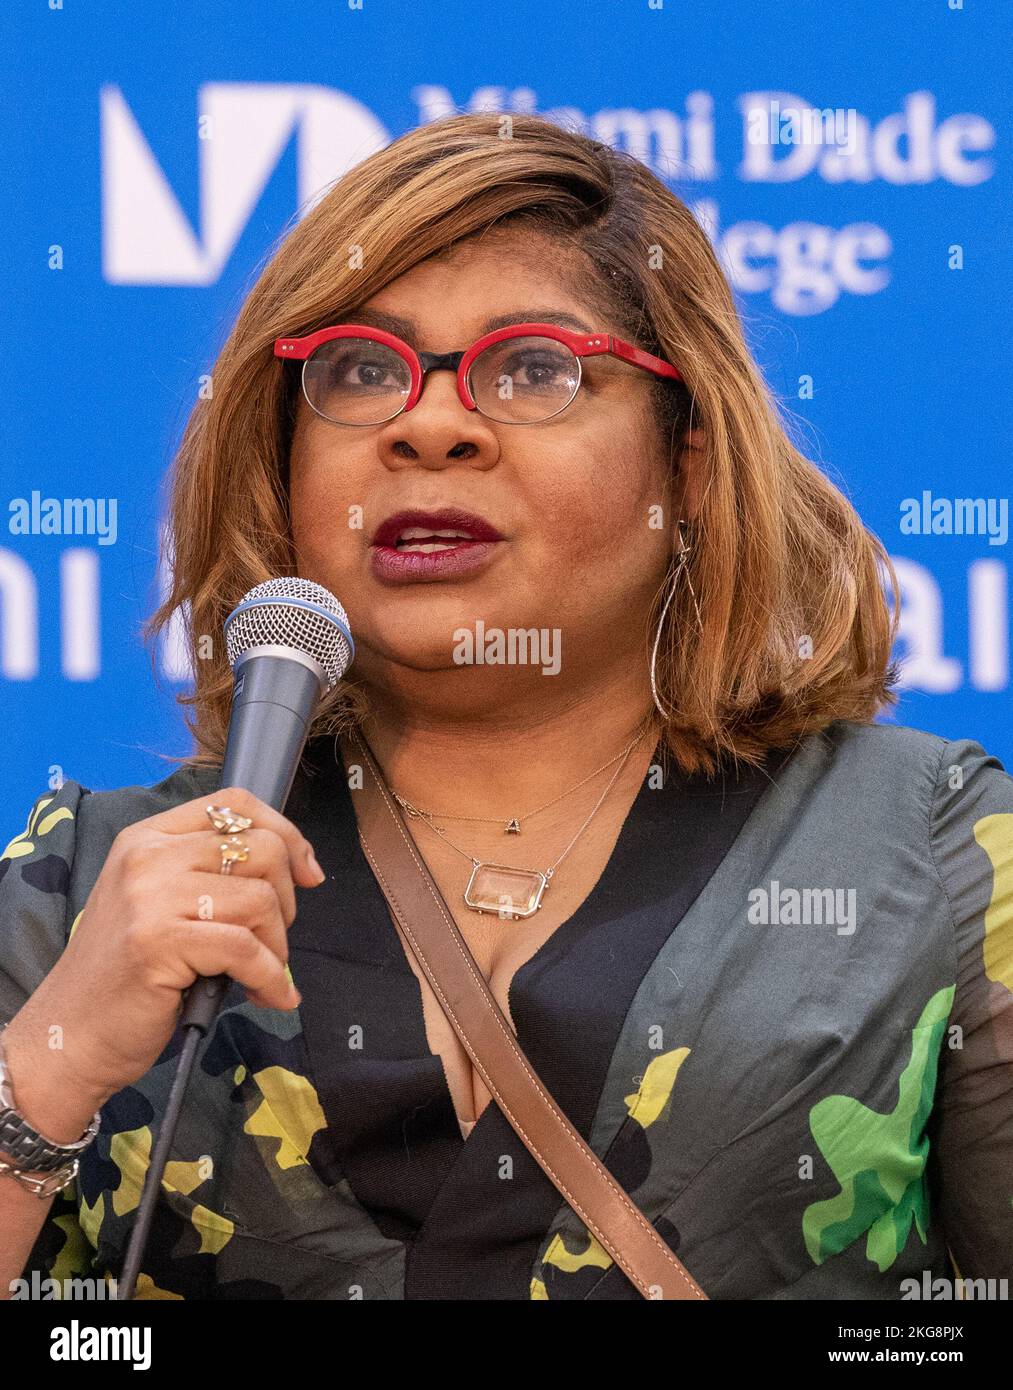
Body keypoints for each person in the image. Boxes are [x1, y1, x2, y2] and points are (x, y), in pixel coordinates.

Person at [1, 112, 1010, 1302]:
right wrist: (41, 1078)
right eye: (360, 370)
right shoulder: (89, 881)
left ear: (686, 462)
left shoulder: (933, 850)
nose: (427, 424)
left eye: (533, 367)